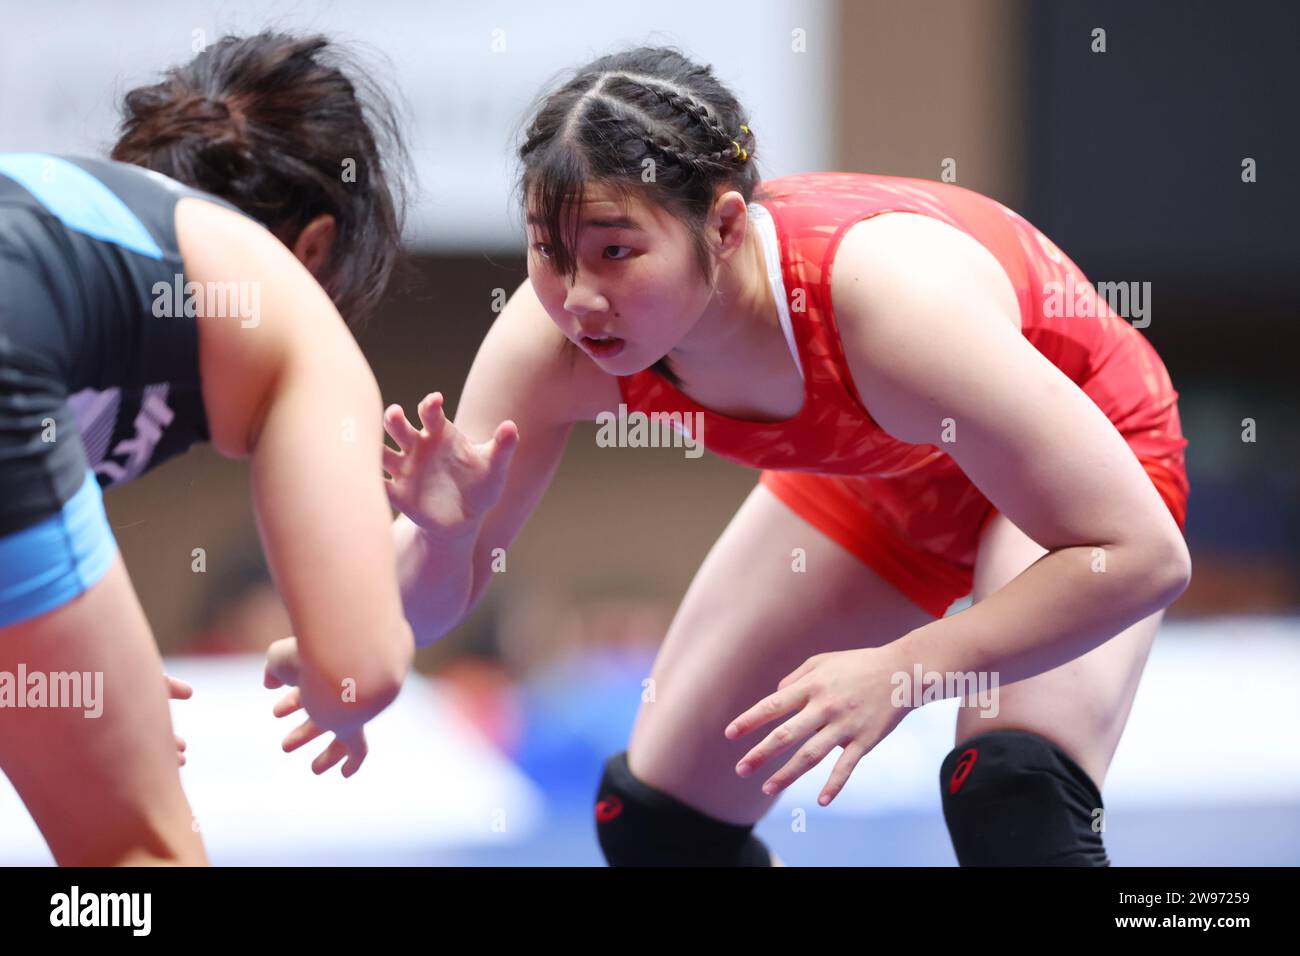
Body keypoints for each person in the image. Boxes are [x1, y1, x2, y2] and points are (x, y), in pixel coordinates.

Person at [382, 46, 1191, 866]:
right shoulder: (552, 341)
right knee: (660, 827)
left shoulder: (888, 303)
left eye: (615, 253)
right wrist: (447, 535)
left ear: (725, 227)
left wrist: (906, 669)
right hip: (885, 475)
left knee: (1012, 800)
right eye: (548, 253)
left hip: (1076, 468)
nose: (579, 298)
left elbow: (1144, 556)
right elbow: (416, 617)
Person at [0, 33, 413, 866]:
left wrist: (88, 665)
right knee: (135, 855)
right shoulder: (287, 303)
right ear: (315, 249)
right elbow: (359, 670)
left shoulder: (93, 272)